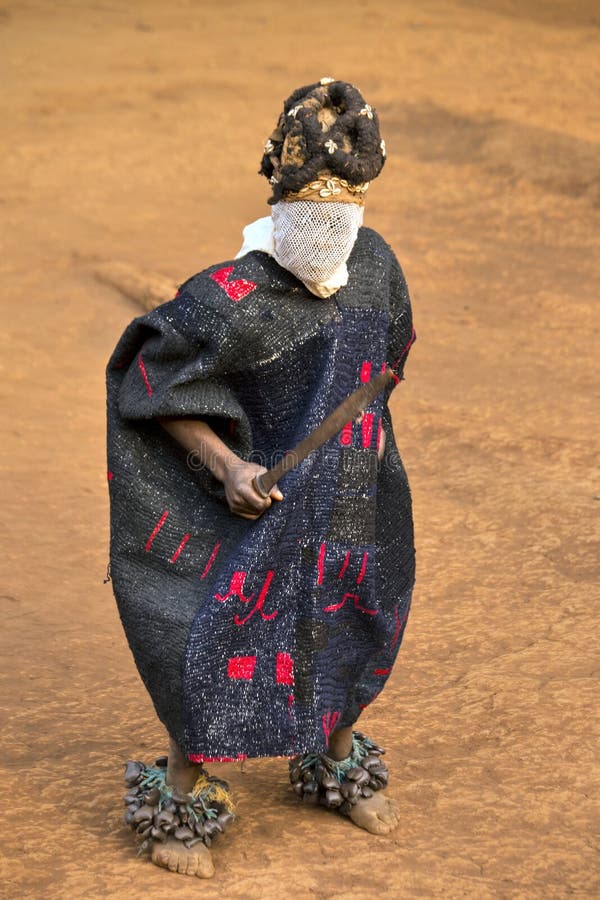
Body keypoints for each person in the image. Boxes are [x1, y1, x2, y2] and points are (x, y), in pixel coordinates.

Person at [107, 77, 416, 879]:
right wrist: (228, 464)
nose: (326, 238)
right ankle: (180, 799)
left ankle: (337, 768)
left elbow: (389, 362)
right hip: (257, 512)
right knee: (213, 641)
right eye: (309, 222)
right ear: (277, 208)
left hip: (349, 496)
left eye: (339, 222)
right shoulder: (227, 298)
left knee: (352, 623)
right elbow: (150, 384)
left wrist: (369, 449)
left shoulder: (376, 268)